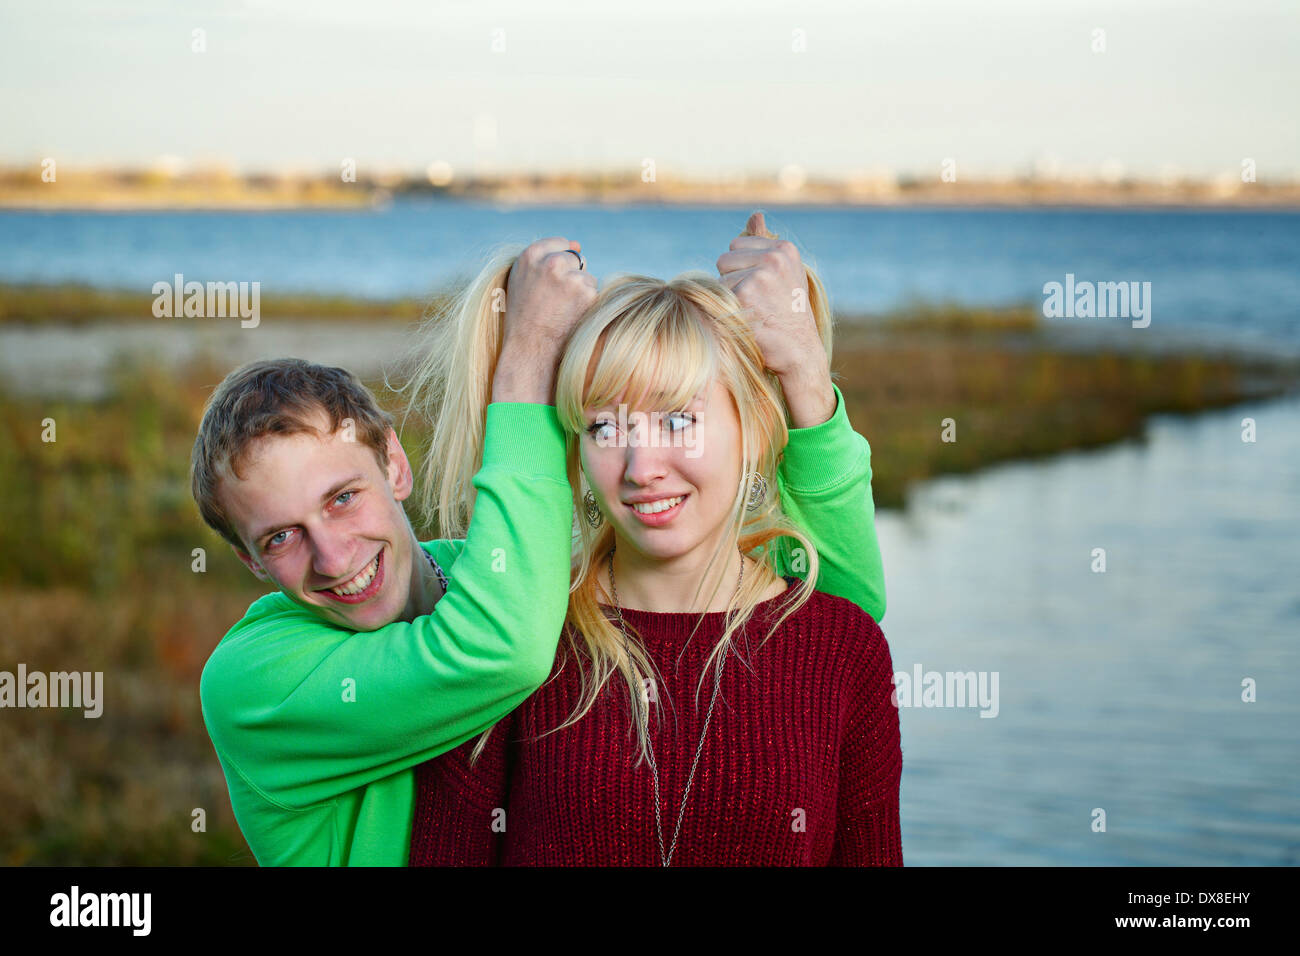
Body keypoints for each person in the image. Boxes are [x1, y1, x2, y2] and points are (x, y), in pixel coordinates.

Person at [408, 213, 901, 866]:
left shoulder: (845, 648)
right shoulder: (513, 640)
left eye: (678, 422)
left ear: (752, 427)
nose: (642, 468)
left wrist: (806, 368)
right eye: (605, 429)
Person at [193, 238, 596, 865]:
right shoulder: (252, 681)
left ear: (395, 465)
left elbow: (793, 588)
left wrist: (804, 383)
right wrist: (527, 360)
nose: (331, 556)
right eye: (281, 537)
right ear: (252, 563)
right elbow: (502, 652)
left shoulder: (495, 574)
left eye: (343, 498)